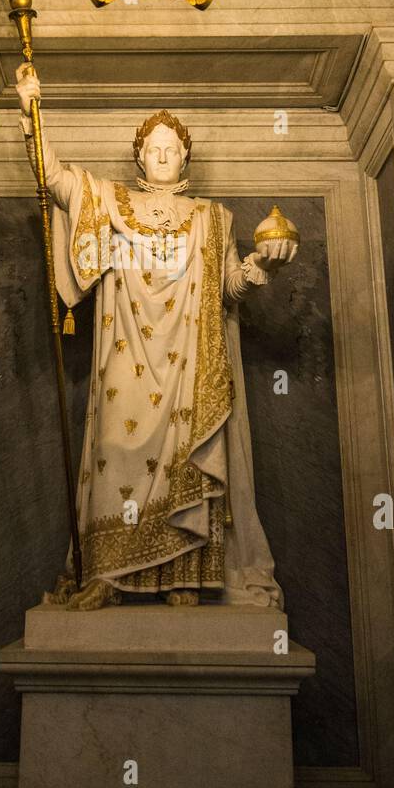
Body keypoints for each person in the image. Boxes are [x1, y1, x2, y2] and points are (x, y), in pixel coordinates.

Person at [17, 64, 298, 610]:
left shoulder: (212, 219)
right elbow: (50, 178)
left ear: (186, 159)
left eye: (173, 148)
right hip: (126, 360)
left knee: (186, 460)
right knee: (114, 449)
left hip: (191, 365)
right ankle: (106, 575)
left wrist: (265, 259)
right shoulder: (109, 202)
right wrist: (32, 111)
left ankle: (180, 576)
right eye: (154, 147)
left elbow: (230, 288)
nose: (164, 155)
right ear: (140, 157)